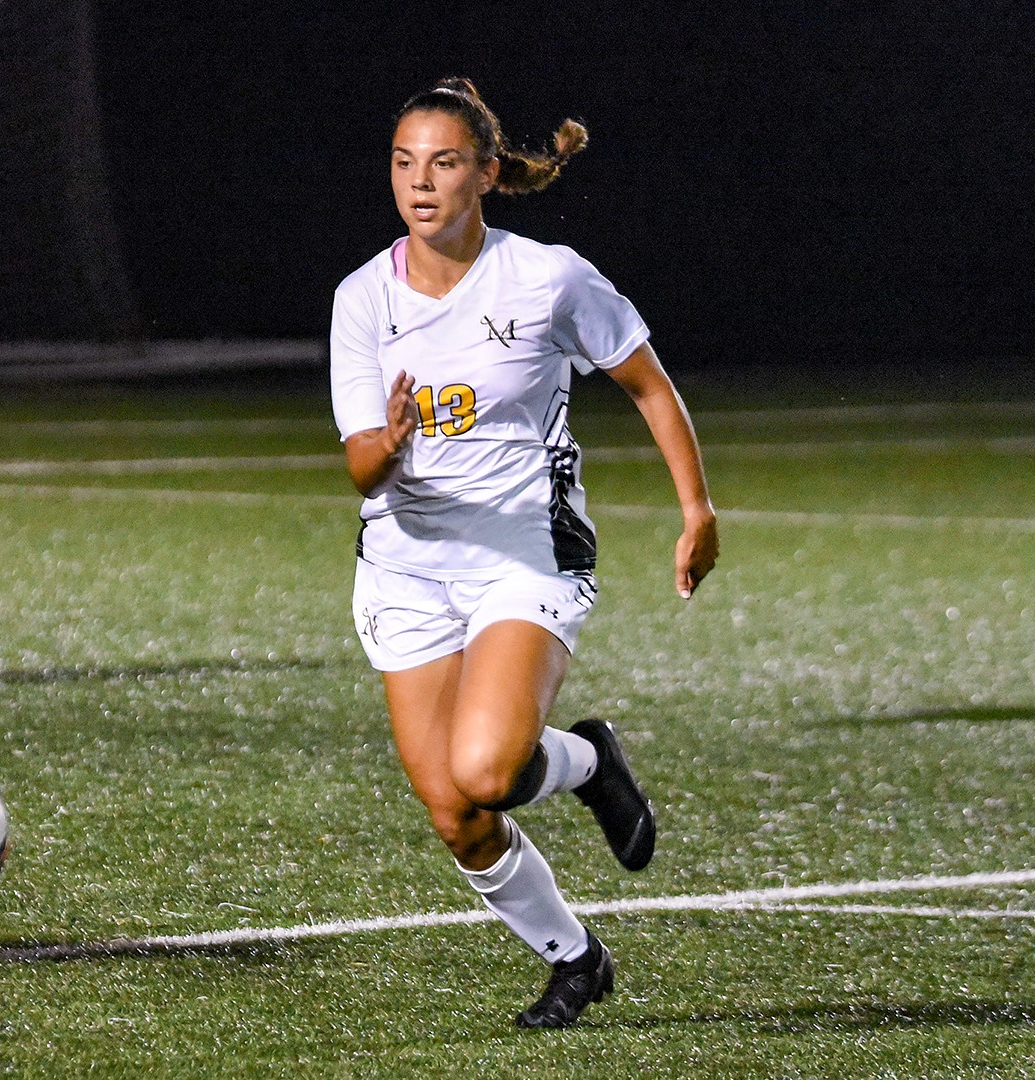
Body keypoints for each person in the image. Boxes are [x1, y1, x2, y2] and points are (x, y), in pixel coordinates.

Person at [329, 78, 719, 1028]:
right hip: (405, 565)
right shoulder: (362, 300)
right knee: (457, 814)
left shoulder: (547, 278)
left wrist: (698, 509)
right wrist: (391, 438)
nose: (420, 183)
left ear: (488, 175)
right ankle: (576, 958)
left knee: (490, 770)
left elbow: (649, 385)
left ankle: (583, 760)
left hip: (525, 553)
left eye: (445, 162)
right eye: (404, 162)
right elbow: (359, 469)